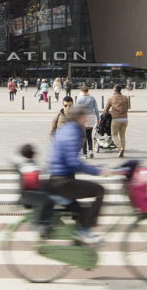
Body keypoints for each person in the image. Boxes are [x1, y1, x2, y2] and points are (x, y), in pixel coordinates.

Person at [46, 104, 105, 245]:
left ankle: (79, 235)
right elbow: (73, 162)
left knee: (79, 210)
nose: (86, 120)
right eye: (84, 117)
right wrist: (98, 171)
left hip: (55, 178)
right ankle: (84, 231)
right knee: (99, 190)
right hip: (63, 182)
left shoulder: (65, 129)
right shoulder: (74, 132)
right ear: (78, 118)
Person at [74, 85, 100, 159]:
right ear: (88, 90)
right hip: (91, 117)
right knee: (89, 135)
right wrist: (98, 119)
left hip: (83, 118)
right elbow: (96, 109)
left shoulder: (79, 98)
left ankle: (85, 153)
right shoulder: (92, 98)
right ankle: (91, 150)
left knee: (83, 136)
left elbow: (76, 110)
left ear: (81, 91)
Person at [104, 86, 130, 158]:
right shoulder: (125, 97)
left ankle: (119, 148)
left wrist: (105, 114)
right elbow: (127, 108)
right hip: (125, 118)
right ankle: (123, 150)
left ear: (114, 90)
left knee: (114, 135)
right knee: (122, 135)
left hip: (116, 118)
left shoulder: (111, 98)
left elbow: (106, 109)